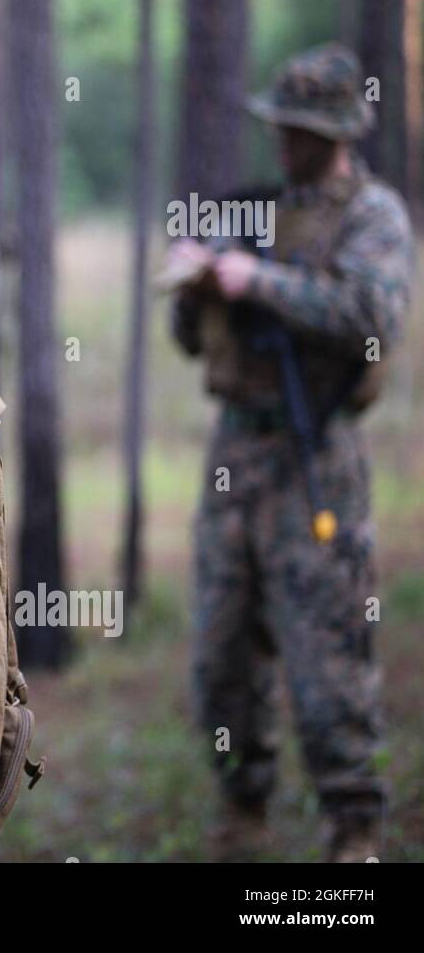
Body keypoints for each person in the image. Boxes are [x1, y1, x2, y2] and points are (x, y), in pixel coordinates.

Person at [168, 43, 414, 862]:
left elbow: (371, 313)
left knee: (328, 648)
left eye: (304, 129)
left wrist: (256, 284)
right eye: (283, 126)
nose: (287, 143)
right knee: (223, 648)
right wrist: (199, 282)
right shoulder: (255, 208)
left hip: (318, 453)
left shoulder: (372, 216)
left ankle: (353, 824)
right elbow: (188, 335)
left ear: (340, 132)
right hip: (236, 449)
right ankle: (243, 807)